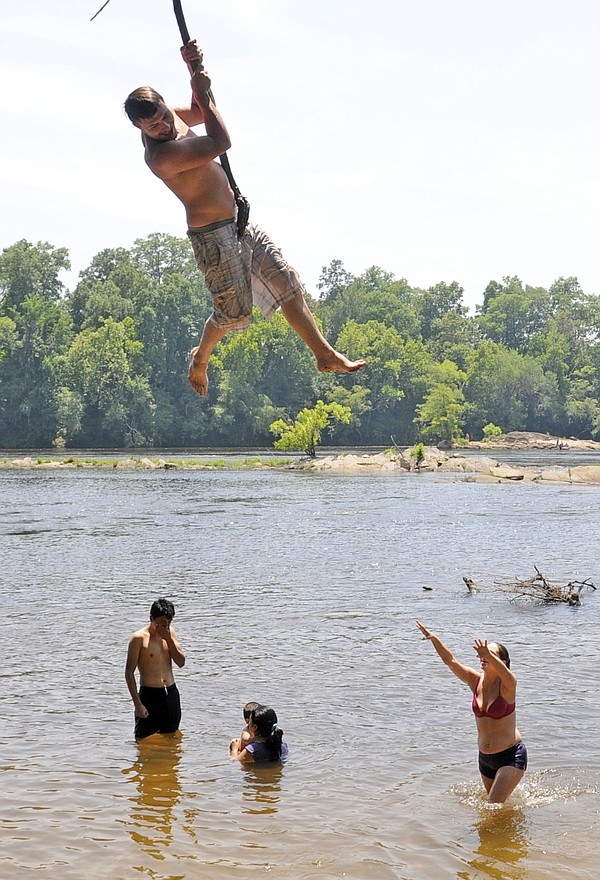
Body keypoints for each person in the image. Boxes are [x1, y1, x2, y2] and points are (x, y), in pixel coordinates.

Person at [124, 40, 366, 398]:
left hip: (238, 220)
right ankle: (200, 358)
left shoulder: (168, 116)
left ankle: (324, 354)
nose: (162, 126)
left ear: (161, 104)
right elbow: (220, 140)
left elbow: (196, 107)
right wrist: (205, 95)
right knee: (235, 316)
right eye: (153, 126)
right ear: (140, 129)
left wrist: (194, 67)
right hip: (213, 237)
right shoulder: (160, 156)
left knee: (287, 283)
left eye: (162, 116)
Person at [416, 620, 527, 804]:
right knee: (498, 811)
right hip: (485, 759)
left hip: (510, 755)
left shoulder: (507, 685)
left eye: (491, 653)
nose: (483, 655)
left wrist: (489, 656)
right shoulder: (475, 681)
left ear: (503, 661)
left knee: (491, 807)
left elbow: (509, 676)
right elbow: (450, 661)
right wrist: (434, 639)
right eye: (483, 653)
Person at [125, 598, 186, 739]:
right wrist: (137, 704)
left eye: (168, 623)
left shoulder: (170, 633)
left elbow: (181, 662)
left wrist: (169, 639)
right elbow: (129, 673)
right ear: (151, 618)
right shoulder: (138, 638)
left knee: (172, 739)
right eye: (161, 623)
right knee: (143, 741)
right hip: (149, 696)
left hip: (170, 693)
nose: (165, 627)